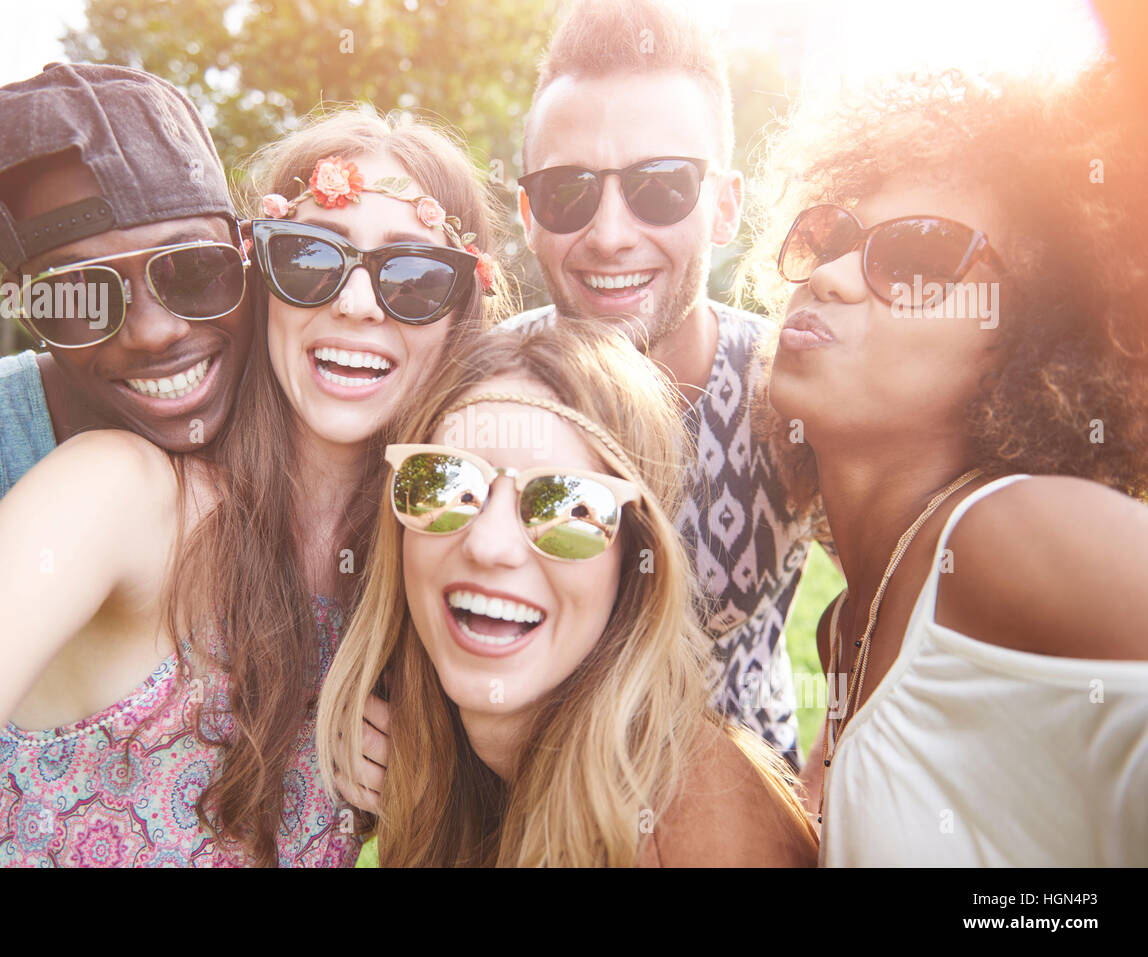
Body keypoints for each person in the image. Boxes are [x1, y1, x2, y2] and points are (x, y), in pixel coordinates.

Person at [0, 108, 510, 868]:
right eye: (308, 259)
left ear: (462, 313)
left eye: (416, 277)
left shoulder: (427, 577)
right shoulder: (120, 498)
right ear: (256, 278)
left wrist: (437, 773)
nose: (356, 303)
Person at [0, 62, 254, 866]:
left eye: (192, 270)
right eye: (83, 295)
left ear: (245, 255)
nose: (151, 331)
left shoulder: (300, 417)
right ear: (26, 304)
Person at [744, 64, 1148, 865]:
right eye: (834, 240)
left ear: (1028, 332)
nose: (828, 276)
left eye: (917, 259)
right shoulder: (843, 630)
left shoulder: (1016, 533)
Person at [318, 321, 818, 866]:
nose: (489, 545)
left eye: (568, 507)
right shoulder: (455, 768)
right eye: (447, 482)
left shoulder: (691, 839)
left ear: (635, 561)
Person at [500, 0, 822, 770]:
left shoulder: (792, 389)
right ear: (528, 213)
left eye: (663, 186)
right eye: (568, 191)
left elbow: (911, 603)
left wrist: (817, 809)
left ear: (724, 207)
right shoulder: (486, 392)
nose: (610, 233)